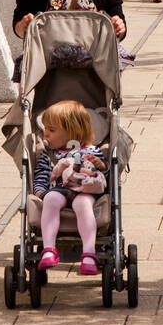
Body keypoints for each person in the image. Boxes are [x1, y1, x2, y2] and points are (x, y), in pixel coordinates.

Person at [32, 100, 107, 274]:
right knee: (50, 198)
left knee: (83, 204)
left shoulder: (92, 151)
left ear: (72, 132)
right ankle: (49, 249)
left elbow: (103, 178)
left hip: (83, 190)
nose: (46, 134)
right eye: (45, 129)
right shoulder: (49, 155)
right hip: (59, 189)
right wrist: (40, 191)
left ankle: (89, 253)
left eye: (52, 130)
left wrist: (100, 166)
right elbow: (41, 174)